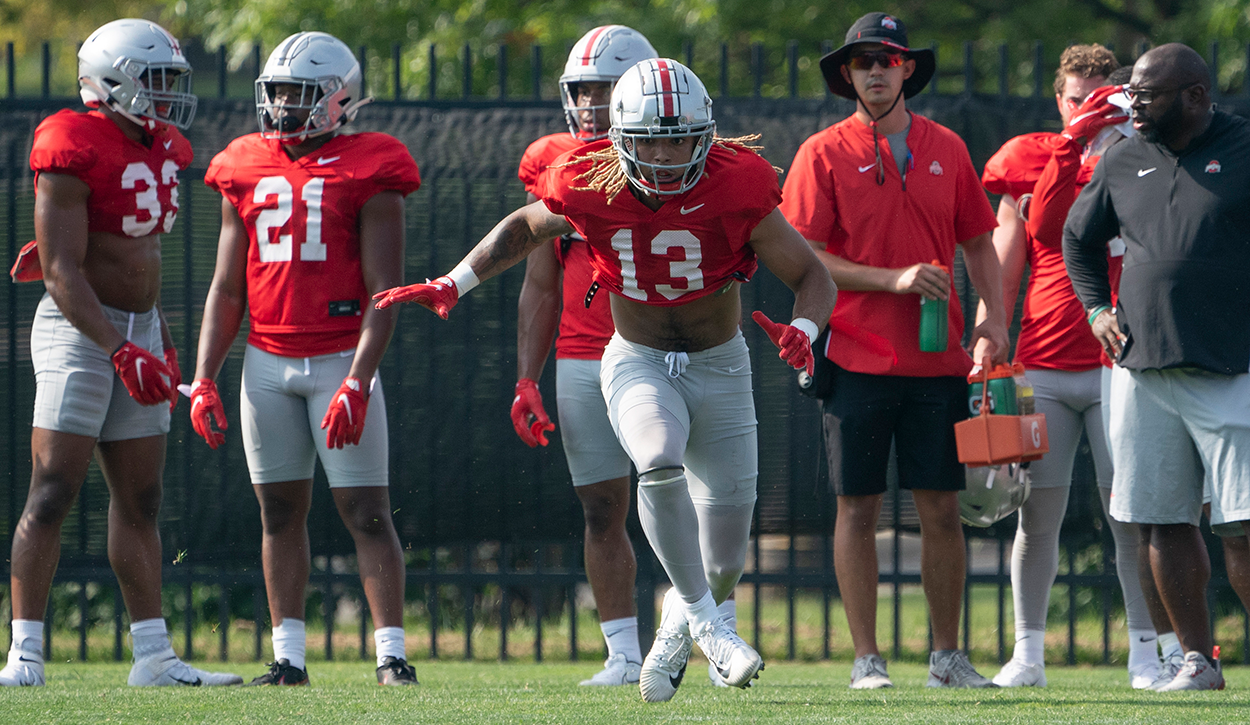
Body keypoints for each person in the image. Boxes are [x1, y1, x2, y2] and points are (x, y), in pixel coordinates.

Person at [374, 58, 836, 703]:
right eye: (653, 140)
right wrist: (454, 281)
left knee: (727, 559)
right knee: (656, 460)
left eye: (682, 138)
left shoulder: (740, 184)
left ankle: (677, 625)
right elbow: (524, 227)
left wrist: (806, 331)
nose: (671, 155)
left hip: (721, 363)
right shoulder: (588, 179)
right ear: (622, 140)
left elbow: (814, 276)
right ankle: (709, 626)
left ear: (706, 134)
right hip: (637, 357)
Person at [0, 19, 241, 688]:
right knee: (52, 491)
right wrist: (115, 347)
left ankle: (153, 655)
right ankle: (24, 652)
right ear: (112, 80)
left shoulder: (164, 147)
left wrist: (154, 342)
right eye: (156, 80)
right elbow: (62, 271)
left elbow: (144, 261)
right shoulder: (69, 141)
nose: (167, 96)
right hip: (79, 329)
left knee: (141, 497)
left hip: (137, 327)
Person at [779, 12, 1008, 689]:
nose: (874, 70)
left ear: (908, 68)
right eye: (860, 61)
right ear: (847, 74)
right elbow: (805, 260)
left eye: (887, 58)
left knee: (941, 508)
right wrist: (894, 279)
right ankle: (866, 660)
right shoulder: (821, 152)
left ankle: (946, 657)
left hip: (940, 364)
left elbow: (979, 243)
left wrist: (995, 319)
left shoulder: (950, 147)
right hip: (853, 356)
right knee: (859, 507)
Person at [190, 32, 421, 686]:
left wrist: (359, 378)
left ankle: (390, 654)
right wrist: (204, 376)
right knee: (279, 511)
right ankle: (288, 656)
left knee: (366, 510)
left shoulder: (372, 163)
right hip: (266, 360)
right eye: (279, 92)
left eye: (301, 93)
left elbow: (387, 288)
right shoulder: (245, 161)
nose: (285, 105)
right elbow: (227, 287)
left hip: (341, 357)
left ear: (339, 99)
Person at [1063, 42, 1250, 692]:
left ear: (1196, 96)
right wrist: (1094, 311)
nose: (1131, 103)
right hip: (1143, 371)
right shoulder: (1121, 159)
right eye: (1131, 93)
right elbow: (1076, 239)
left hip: (1233, 369)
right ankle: (1197, 660)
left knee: (1243, 523)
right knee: (1160, 518)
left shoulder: (1244, 149)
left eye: (1148, 94)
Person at [978, 51, 1166, 689]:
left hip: (1125, 361)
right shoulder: (1033, 155)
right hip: (1047, 362)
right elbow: (1032, 238)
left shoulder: (1147, 151)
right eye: (1075, 98)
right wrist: (991, 330)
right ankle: (1028, 654)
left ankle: (1145, 650)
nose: (1086, 110)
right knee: (1038, 515)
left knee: (1130, 513)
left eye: (1099, 98)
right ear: (1058, 100)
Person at [511, 25, 658, 687]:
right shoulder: (556, 161)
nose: (593, 104)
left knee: (681, 498)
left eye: (607, 89)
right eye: (583, 90)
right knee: (602, 508)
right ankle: (624, 651)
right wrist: (525, 377)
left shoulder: (680, 155)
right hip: (582, 353)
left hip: (663, 351)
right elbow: (541, 280)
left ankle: (713, 629)